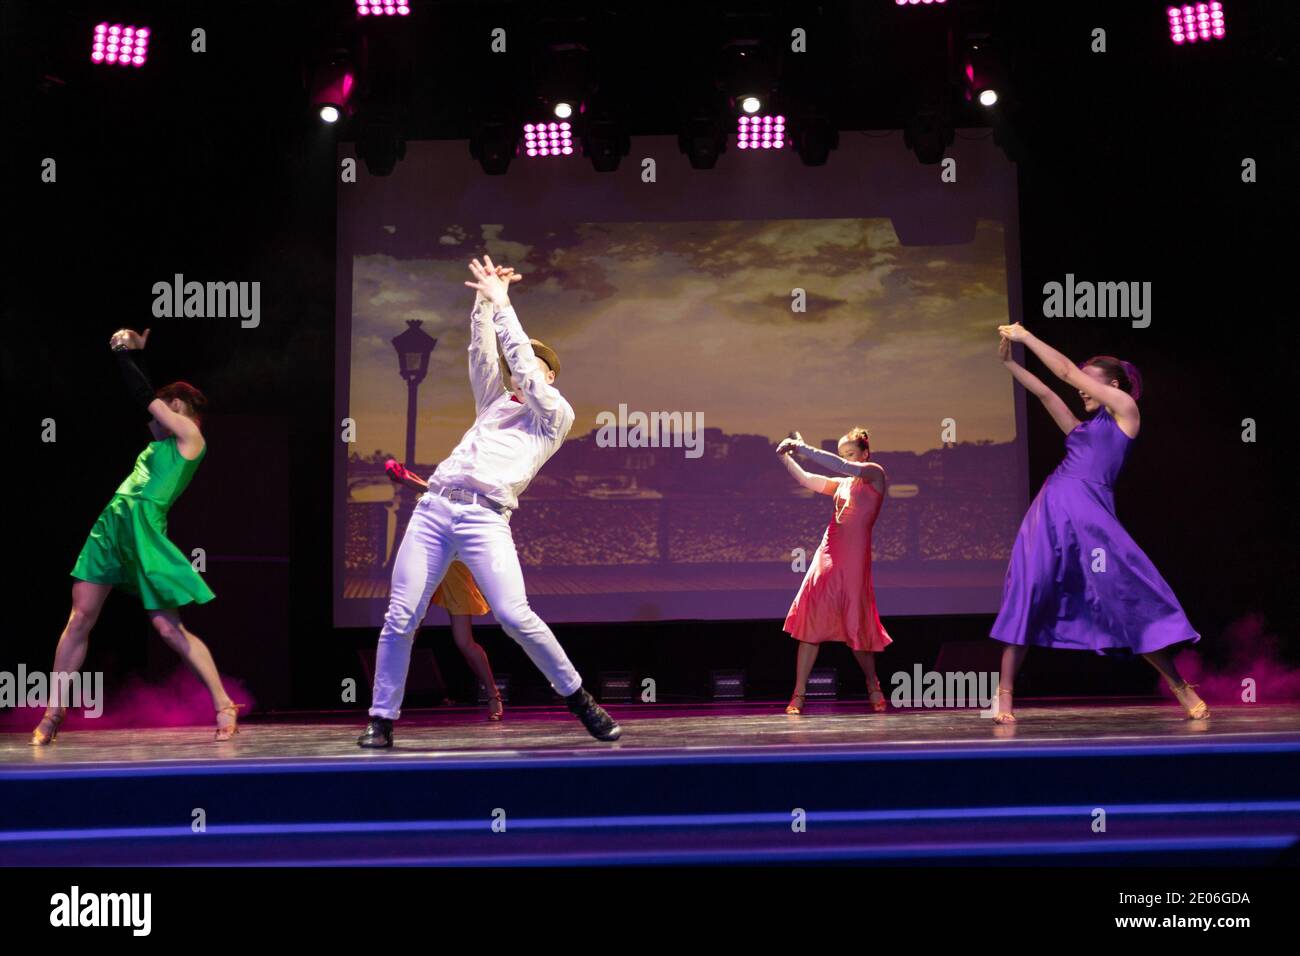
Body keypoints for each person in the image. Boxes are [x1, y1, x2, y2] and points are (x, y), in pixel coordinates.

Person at [358, 257, 620, 748]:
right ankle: (382, 718)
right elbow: (482, 353)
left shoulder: (555, 416)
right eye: (521, 367)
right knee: (400, 615)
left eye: (535, 366)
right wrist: (483, 301)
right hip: (435, 508)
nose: (523, 370)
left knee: (515, 615)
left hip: (485, 518)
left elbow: (520, 359)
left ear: (549, 377)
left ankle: (579, 698)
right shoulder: (496, 403)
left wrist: (505, 307)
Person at [32, 327, 242, 745]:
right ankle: (53, 712)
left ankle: (224, 703)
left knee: (168, 629)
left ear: (179, 407)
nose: (156, 416)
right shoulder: (165, 438)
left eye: (165, 407)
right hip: (113, 523)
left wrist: (123, 353)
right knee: (79, 618)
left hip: (144, 528)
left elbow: (143, 395)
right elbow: (147, 398)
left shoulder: (191, 438)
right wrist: (137, 356)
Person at [991, 323, 1207, 723]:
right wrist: (1009, 364)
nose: (1082, 388)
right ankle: (1003, 696)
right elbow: (1047, 392)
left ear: (1117, 386)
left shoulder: (1126, 413)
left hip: (1091, 517)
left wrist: (1026, 338)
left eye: (1091, 382)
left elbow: (1065, 374)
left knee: (1121, 593)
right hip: (1050, 511)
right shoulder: (1081, 431)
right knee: (1030, 590)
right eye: (1083, 382)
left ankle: (1179, 686)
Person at [777, 428, 892, 715]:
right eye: (843, 454)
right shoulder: (841, 485)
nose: (846, 460)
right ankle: (799, 694)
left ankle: (872, 683)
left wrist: (803, 447)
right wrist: (786, 457)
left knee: (856, 627)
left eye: (851, 454)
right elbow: (807, 480)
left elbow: (841, 467)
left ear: (864, 454)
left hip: (854, 561)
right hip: (827, 555)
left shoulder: (874, 475)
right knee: (811, 623)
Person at [385, 461, 504, 720]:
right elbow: (427, 488)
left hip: (454, 572)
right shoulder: (436, 494)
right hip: (428, 565)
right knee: (406, 632)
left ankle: (493, 694)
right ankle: (387, 703)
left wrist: (404, 477)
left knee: (463, 641)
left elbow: (430, 489)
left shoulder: (471, 501)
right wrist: (403, 475)